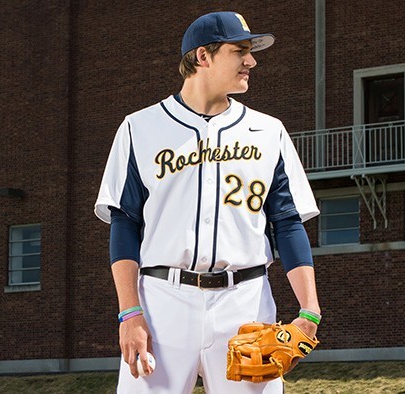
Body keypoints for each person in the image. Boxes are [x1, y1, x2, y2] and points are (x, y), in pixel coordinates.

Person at [94, 11, 321, 393]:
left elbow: (287, 222)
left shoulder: (269, 131)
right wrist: (129, 315)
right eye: (240, 51)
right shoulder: (139, 128)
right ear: (203, 56)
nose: (251, 61)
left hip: (245, 304)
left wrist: (309, 311)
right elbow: (125, 224)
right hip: (163, 301)